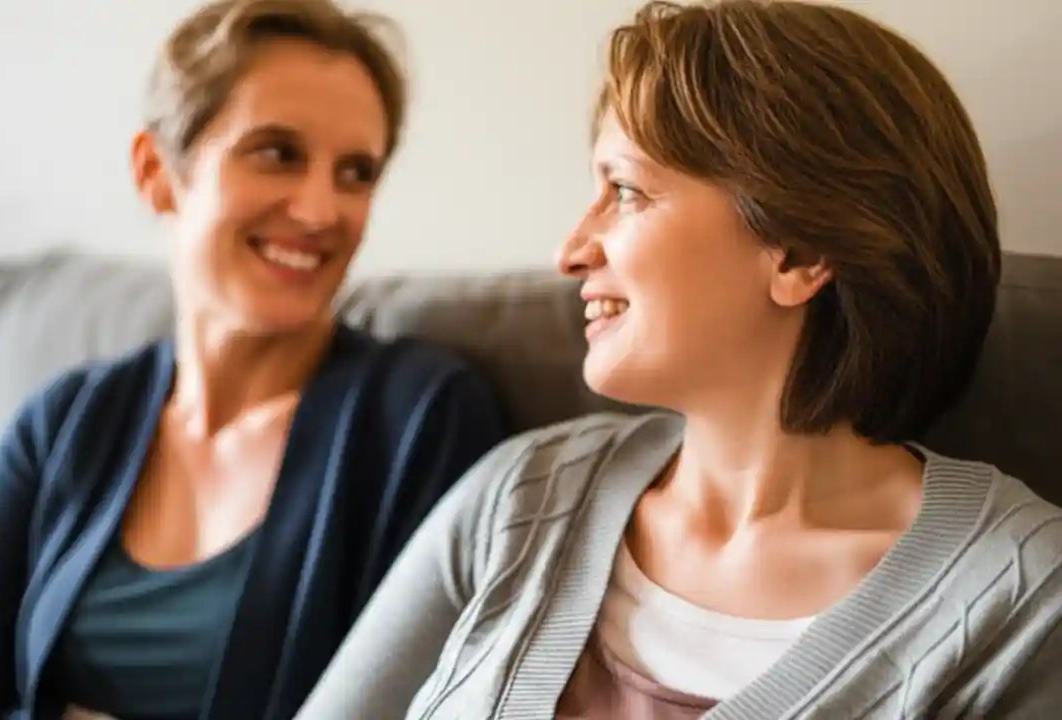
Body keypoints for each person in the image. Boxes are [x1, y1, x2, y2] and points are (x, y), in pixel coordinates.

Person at [297, 1, 1062, 718]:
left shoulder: (1021, 606)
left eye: (625, 191)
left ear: (798, 251)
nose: (570, 251)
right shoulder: (517, 496)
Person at [0, 1, 506, 718]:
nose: (319, 210)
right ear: (156, 170)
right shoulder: (65, 424)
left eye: (356, 172)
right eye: (278, 152)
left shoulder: (420, 419)